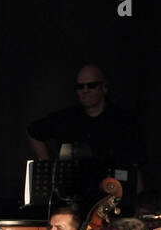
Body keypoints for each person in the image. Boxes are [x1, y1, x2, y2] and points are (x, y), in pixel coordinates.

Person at [26, 65, 146, 195]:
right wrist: (48, 166)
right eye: (80, 86)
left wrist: (139, 199)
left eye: (91, 85)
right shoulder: (67, 118)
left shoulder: (121, 121)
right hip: (73, 195)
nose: (85, 90)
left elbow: (135, 165)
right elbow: (33, 131)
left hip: (113, 195)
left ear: (104, 88)